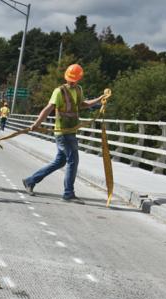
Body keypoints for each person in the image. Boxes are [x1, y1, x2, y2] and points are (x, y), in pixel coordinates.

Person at [22, 64, 106, 202]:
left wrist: (99, 99)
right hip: (62, 133)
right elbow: (48, 108)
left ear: (78, 79)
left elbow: (83, 104)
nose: (72, 81)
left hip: (71, 131)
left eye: (74, 79)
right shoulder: (59, 91)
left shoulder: (78, 89)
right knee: (73, 160)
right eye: (70, 79)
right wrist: (36, 124)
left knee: (60, 162)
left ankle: (30, 181)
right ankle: (68, 193)